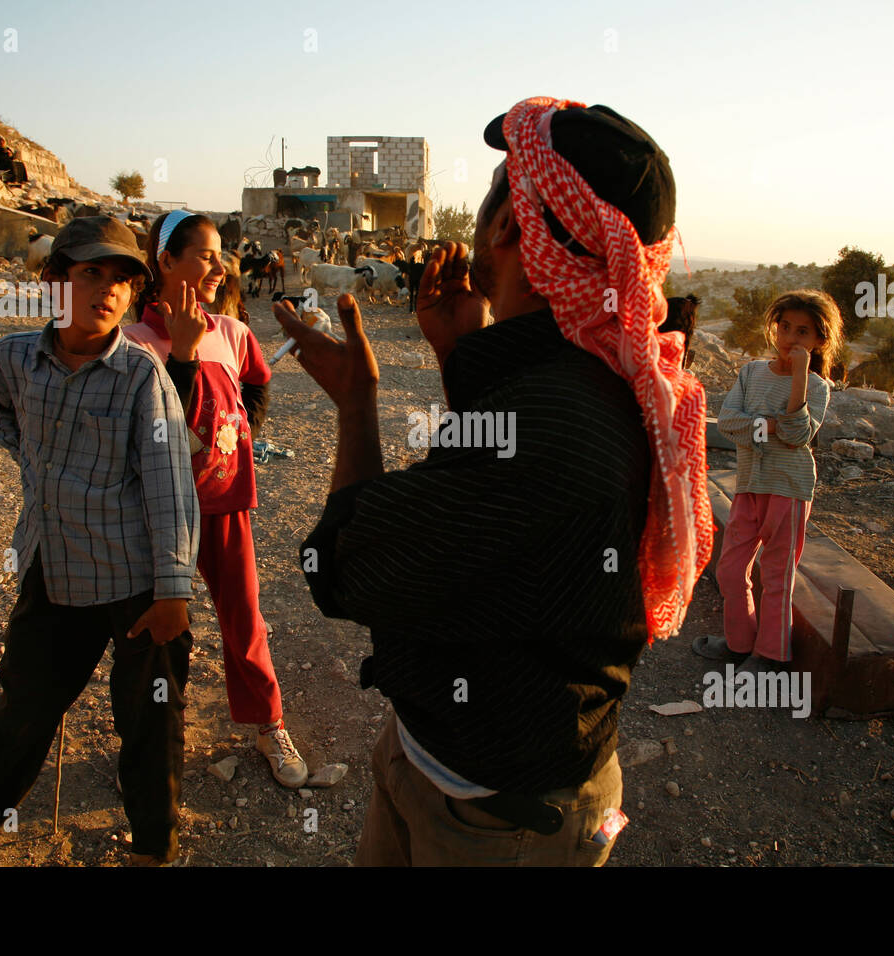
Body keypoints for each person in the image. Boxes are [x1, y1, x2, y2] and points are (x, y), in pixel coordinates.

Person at [273, 98, 713, 866]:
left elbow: (341, 568)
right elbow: (503, 540)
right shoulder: (603, 376)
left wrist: (356, 406)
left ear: (511, 225)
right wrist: (462, 358)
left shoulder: (554, 418)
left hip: (492, 827)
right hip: (452, 770)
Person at [0, 216, 200, 866]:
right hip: (54, 573)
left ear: (135, 296)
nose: (107, 290)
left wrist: (174, 591)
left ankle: (154, 850)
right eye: (91, 272)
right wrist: (51, 478)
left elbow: (168, 484)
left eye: (123, 280)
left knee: (149, 726)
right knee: (19, 720)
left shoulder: (141, 377)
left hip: (137, 587)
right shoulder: (15, 358)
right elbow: (1, 417)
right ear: (55, 279)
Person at [125, 210, 307, 787]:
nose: (219, 265)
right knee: (159, 632)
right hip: (157, 515)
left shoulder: (230, 331)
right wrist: (180, 353)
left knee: (244, 617)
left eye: (220, 253)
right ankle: (156, 745)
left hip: (226, 502)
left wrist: (245, 425)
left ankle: (267, 723)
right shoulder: (131, 343)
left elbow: (258, 377)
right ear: (165, 262)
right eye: (203, 253)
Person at [694, 290, 843, 673]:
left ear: (819, 341)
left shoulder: (815, 387)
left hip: (789, 488)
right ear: (775, 328)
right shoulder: (750, 373)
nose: (791, 338)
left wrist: (796, 379)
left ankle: (771, 655)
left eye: (803, 332)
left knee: (777, 575)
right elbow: (728, 424)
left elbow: (796, 436)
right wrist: (769, 426)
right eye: (785, 327)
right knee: (730, 568)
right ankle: (740, 642)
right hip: (749, 484)